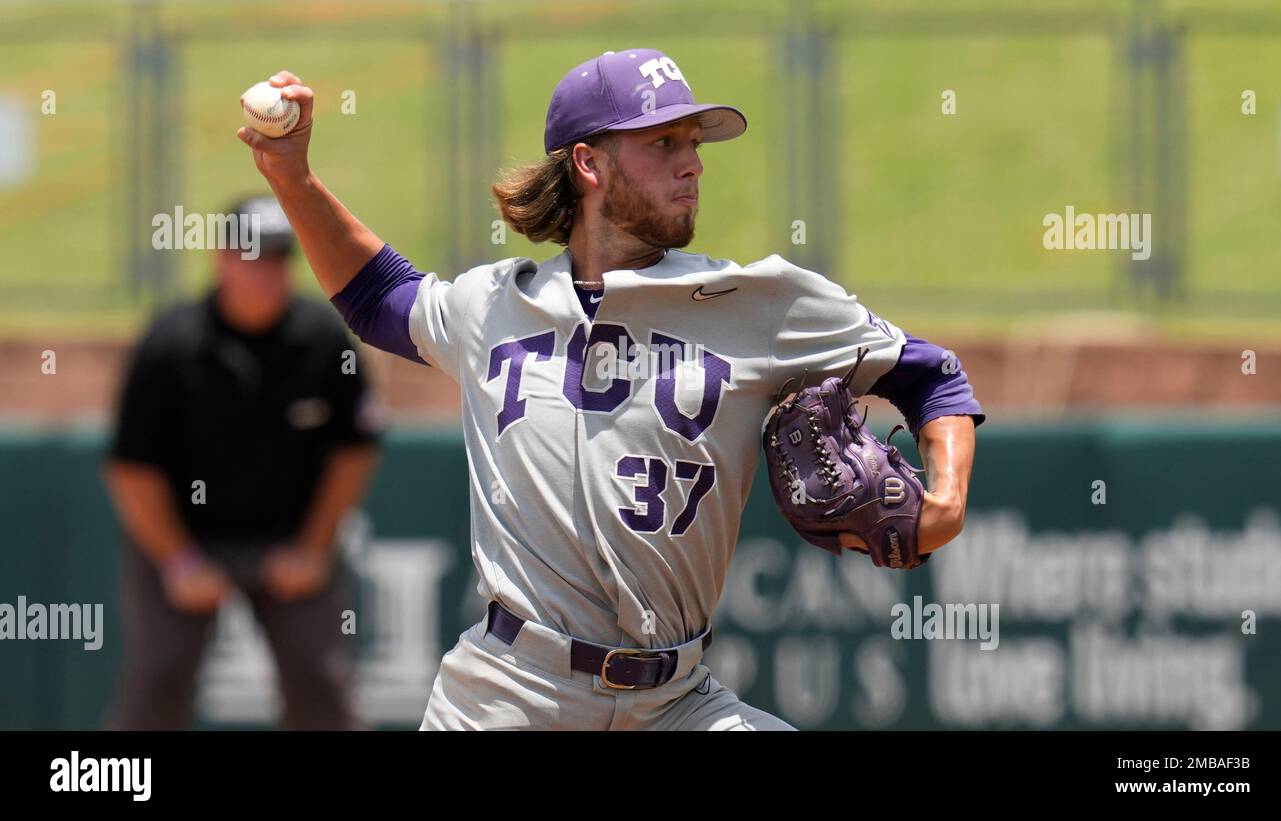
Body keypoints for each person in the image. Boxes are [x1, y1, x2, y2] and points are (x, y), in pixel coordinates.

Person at [236, 49, 982, 731]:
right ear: (589, 163)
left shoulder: (762, 303)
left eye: (694, 142)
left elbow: (931, 375)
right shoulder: (496, 303)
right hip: (507, 693)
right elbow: (377, 297)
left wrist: (945, 500)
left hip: (678, 701)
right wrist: (294, 180)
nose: (692, 163)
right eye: (664, 143)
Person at [103, 196, 382, 730]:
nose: (265, 271)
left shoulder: (322, 339)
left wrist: (312, 547)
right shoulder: (171, 343)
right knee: (155, 682)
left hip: (289, 538)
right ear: (221, 258)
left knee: (320, 684)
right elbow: (132, 468)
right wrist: (180, 560)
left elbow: (355, 449)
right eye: (251, 255)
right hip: (185, 538)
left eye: (277, 257)